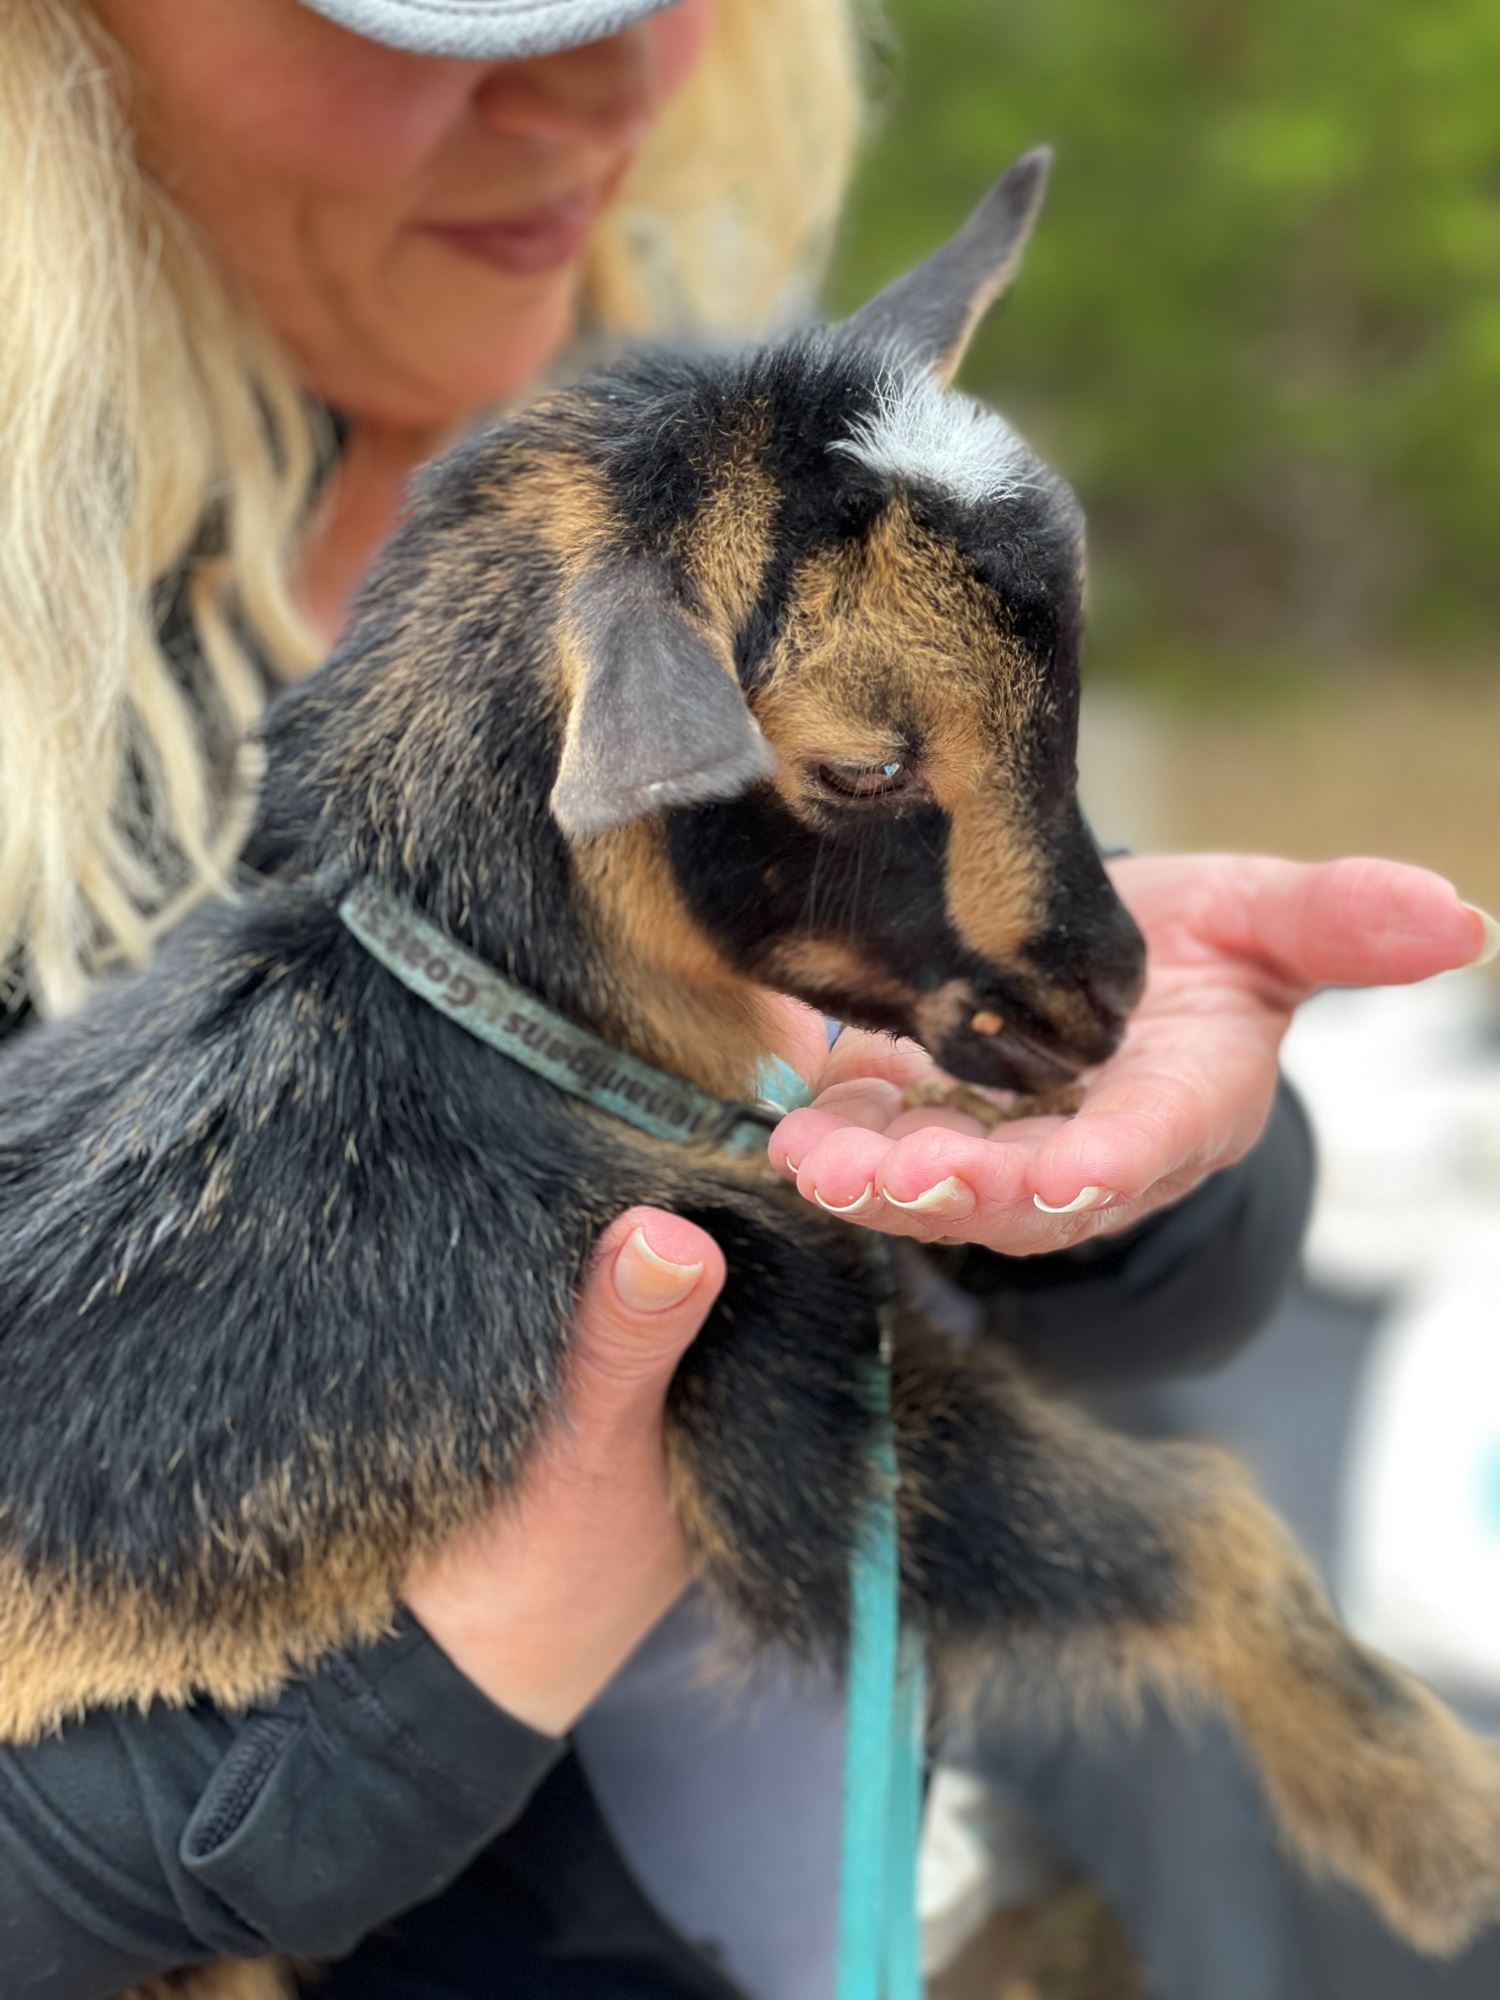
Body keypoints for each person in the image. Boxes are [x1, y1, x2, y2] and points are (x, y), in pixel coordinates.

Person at [0, 3, 1494, 1996]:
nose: (612, 83)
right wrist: (298, 1784)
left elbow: (1133, 1270)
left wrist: (1130, 1179)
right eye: (432, 8)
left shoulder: (750, 441)